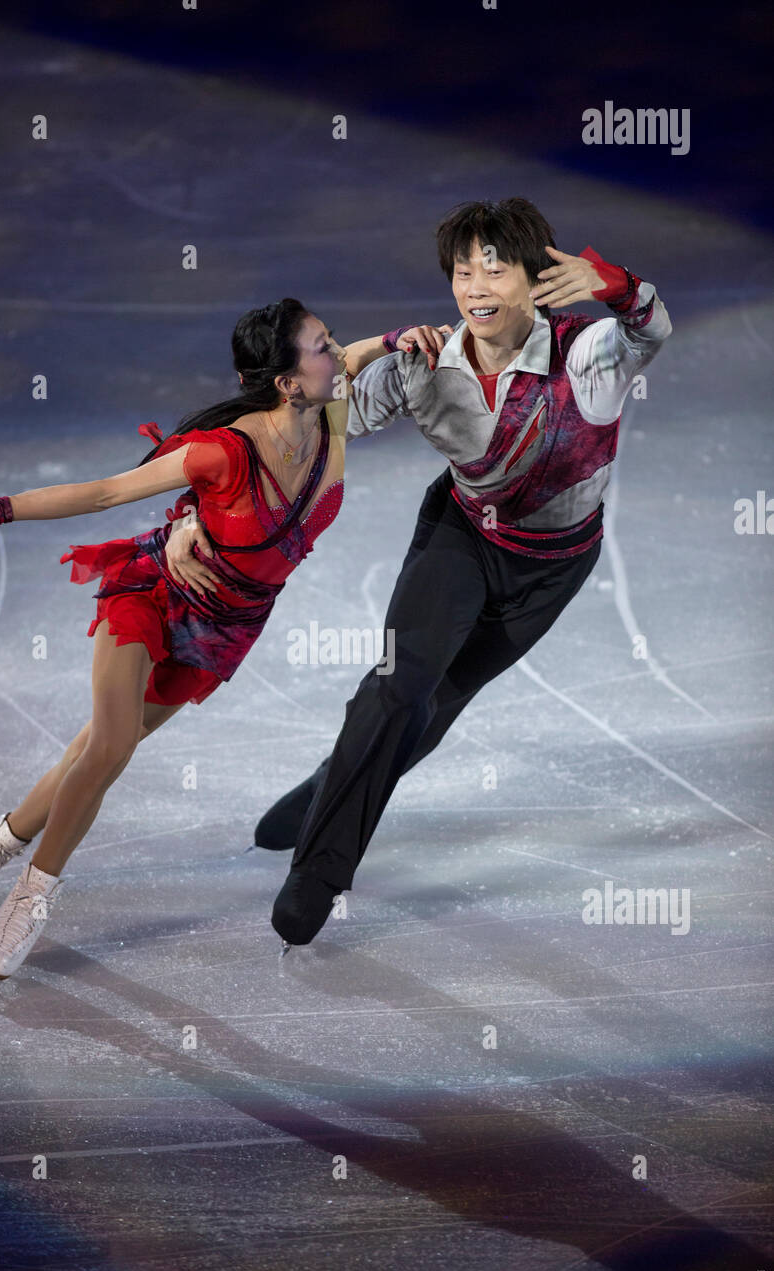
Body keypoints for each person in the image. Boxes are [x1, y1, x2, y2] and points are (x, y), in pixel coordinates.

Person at [166, 197, 673, 947]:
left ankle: (329, 786)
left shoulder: (587, 352)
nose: (476, 287)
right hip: (460, 538)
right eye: (464, 270)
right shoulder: (427, 360)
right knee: (400, 686)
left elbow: (651, 330)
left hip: (554, 567)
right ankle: (320, 871)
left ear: (537, 277)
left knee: (435, 709)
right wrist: (190, 507)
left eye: (495, 270)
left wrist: (621, 284)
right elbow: (299, 419)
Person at [0, 299, 443, 979]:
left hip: (225, 630)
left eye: (331, 340)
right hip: (156, 594)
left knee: (93, 748)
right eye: (320, 347)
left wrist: (396, 339)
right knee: (110, 744)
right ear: (286, 381)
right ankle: (32, 893)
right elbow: (107, 492)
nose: (336, 353)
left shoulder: (331, 420)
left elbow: (360, 357)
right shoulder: (224, 449)